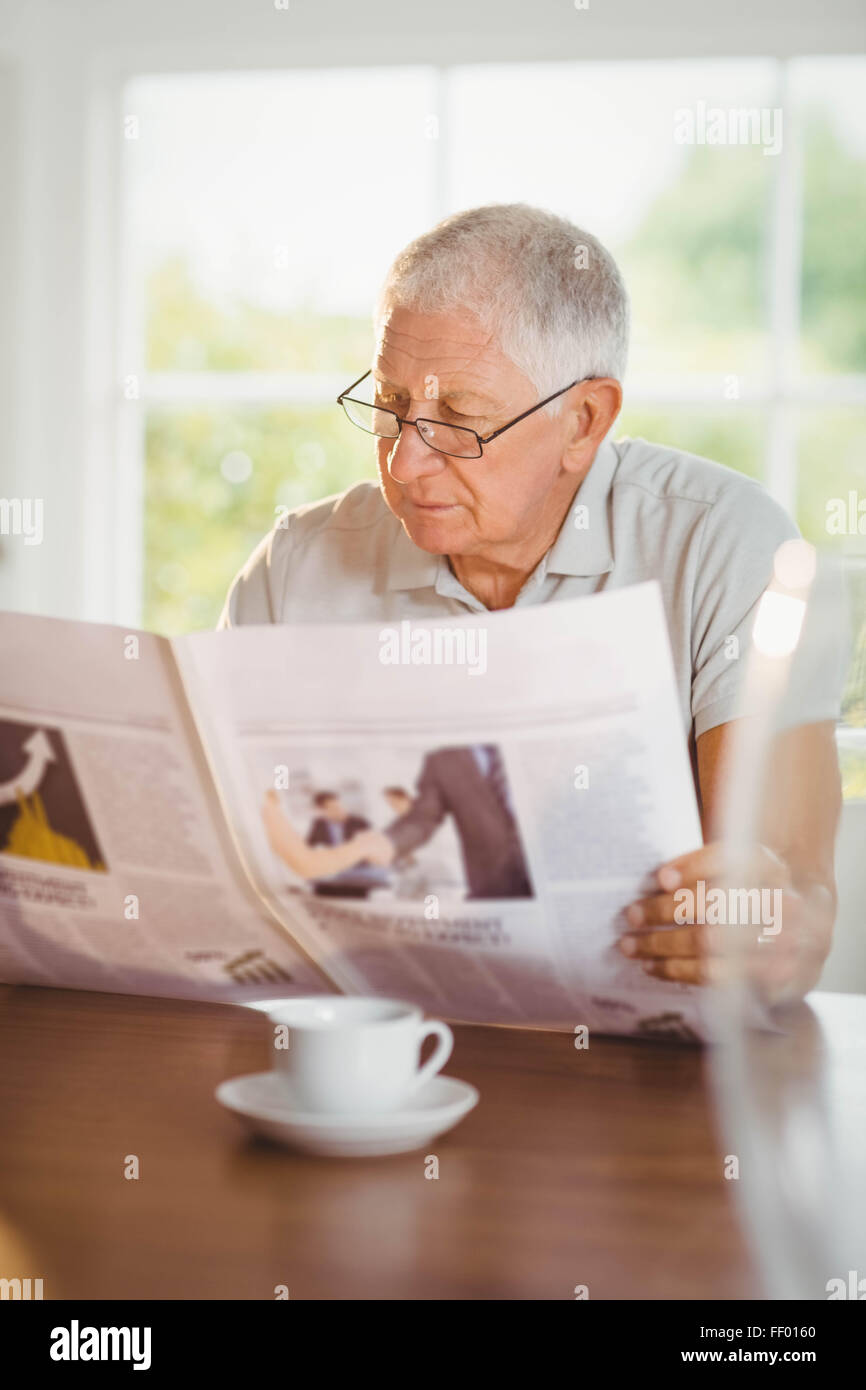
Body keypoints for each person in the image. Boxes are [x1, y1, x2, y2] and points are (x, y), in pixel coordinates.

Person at [224, 204, 842, 1002]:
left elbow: (791, 890)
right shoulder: (297, 564)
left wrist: (779, 930)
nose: (406, 463)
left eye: (457, 420)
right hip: (361, 1043)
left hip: (641, 1077)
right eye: (389, 404)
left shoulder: (727, 544)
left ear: (583, 421)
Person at [384, 746, 532, 900]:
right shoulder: (411, 827)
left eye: (394, 804)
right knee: (428, 908)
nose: (394, 809)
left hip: (441, 881)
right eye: (389, 805)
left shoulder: (435, 829)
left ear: (407, 799)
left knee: (432, 904)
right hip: (432, 885)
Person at [261, 789, 389, 885]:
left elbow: (375, 850)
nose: (340, 810)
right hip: (330, 871)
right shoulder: (319, 824)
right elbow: (309, 847)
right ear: (323, 811)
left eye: (340, 806)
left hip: (357, 870)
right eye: (334, 808)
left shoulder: (360, 823)